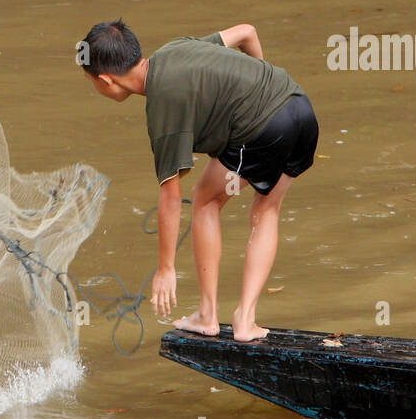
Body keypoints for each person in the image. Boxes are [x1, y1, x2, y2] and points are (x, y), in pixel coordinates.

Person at [79, 19, 318, 341]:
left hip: (266, 129)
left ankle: (213, 316)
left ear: (106, 80)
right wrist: (258, 83)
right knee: (267, 209)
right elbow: (247, 32)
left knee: (205, 200)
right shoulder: (175, 47)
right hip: (300, 107)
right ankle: (244, 318)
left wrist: (165, 269)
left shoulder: (162, 106)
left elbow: (170, 197)